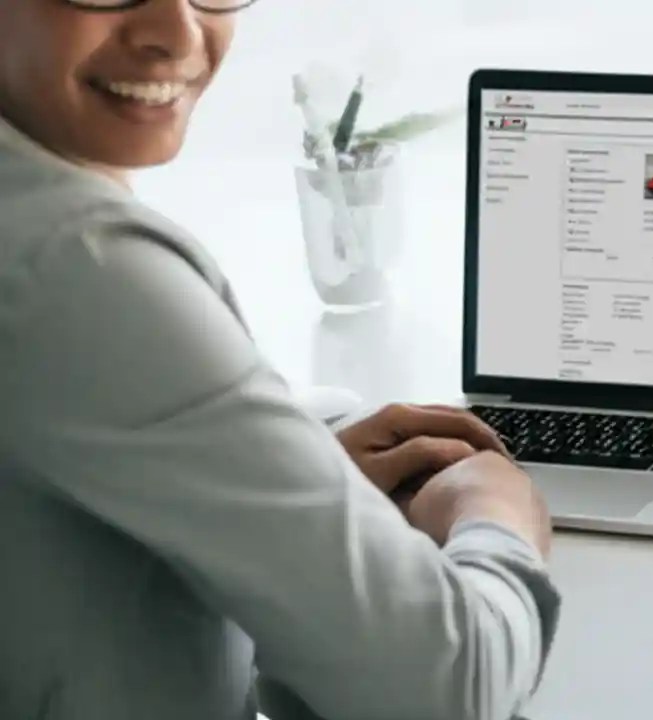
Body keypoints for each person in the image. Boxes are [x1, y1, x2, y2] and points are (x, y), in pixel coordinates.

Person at [0, 2, 559, 719]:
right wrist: (497, 509)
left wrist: (274, 482)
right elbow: (451, 688)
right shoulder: (75, 264)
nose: (178, 34)